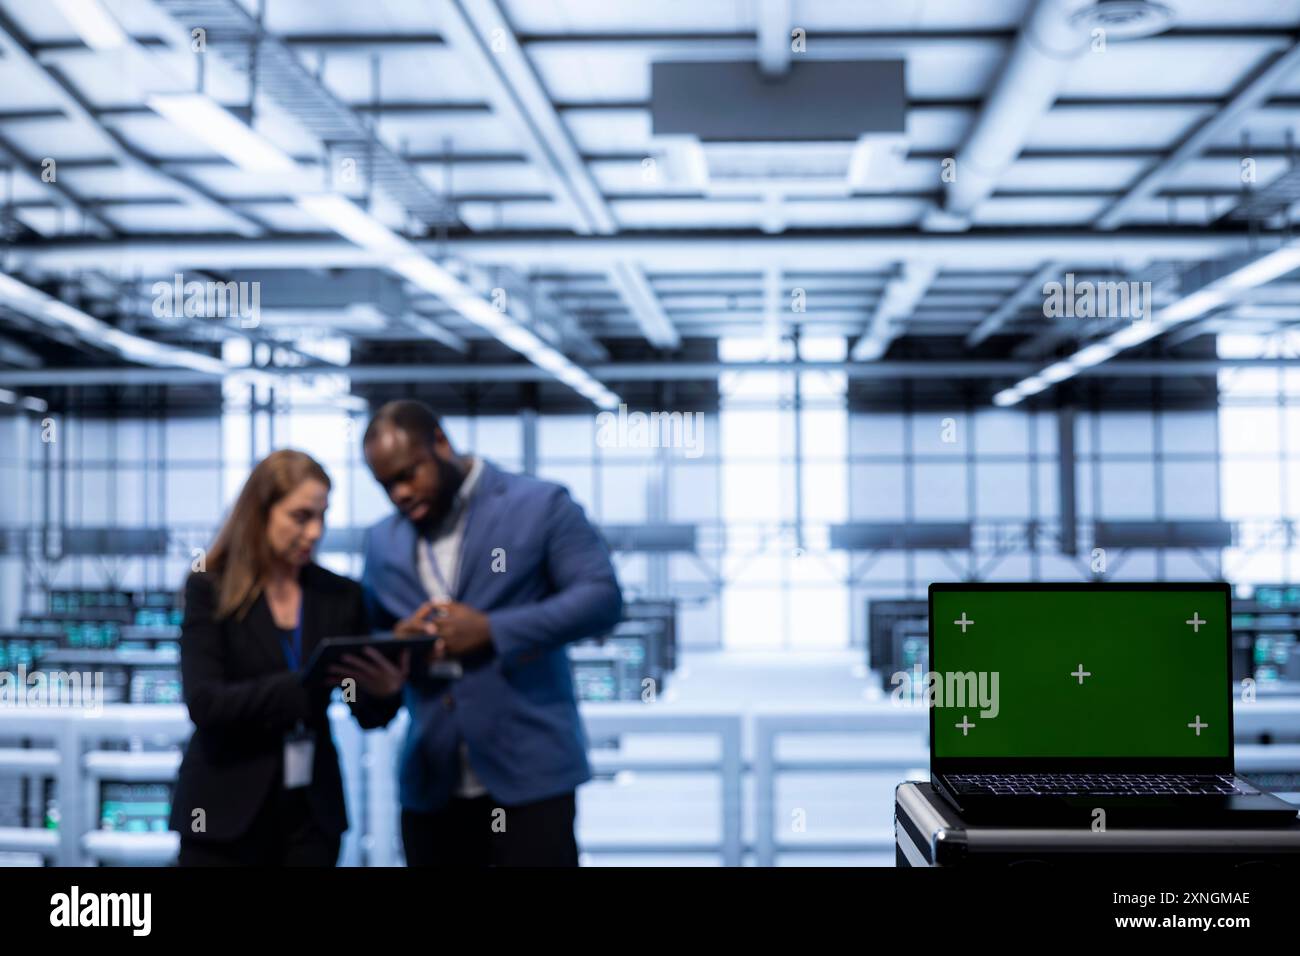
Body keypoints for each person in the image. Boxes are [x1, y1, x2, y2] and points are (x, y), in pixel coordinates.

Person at [360, 400, 622, 866]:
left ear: (441, 442)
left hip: (530, 781)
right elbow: (373, 640)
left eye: (408, 473)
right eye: (386, 485)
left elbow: (601, 599)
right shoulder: (381, 541)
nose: (399, 493)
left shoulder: (540, 505)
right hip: (430, 786)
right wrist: (399, 641)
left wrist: (493, 630)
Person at [170, 449, 409, 866]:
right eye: (301, 517)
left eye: (322, 516)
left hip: (310, 817)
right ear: (260, 513)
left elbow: (366, 713)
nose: (315, 532)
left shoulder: (339, 596)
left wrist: (385, 691)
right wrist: (306, 684)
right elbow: (206, 703)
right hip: (222, 812)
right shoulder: (210, 589)